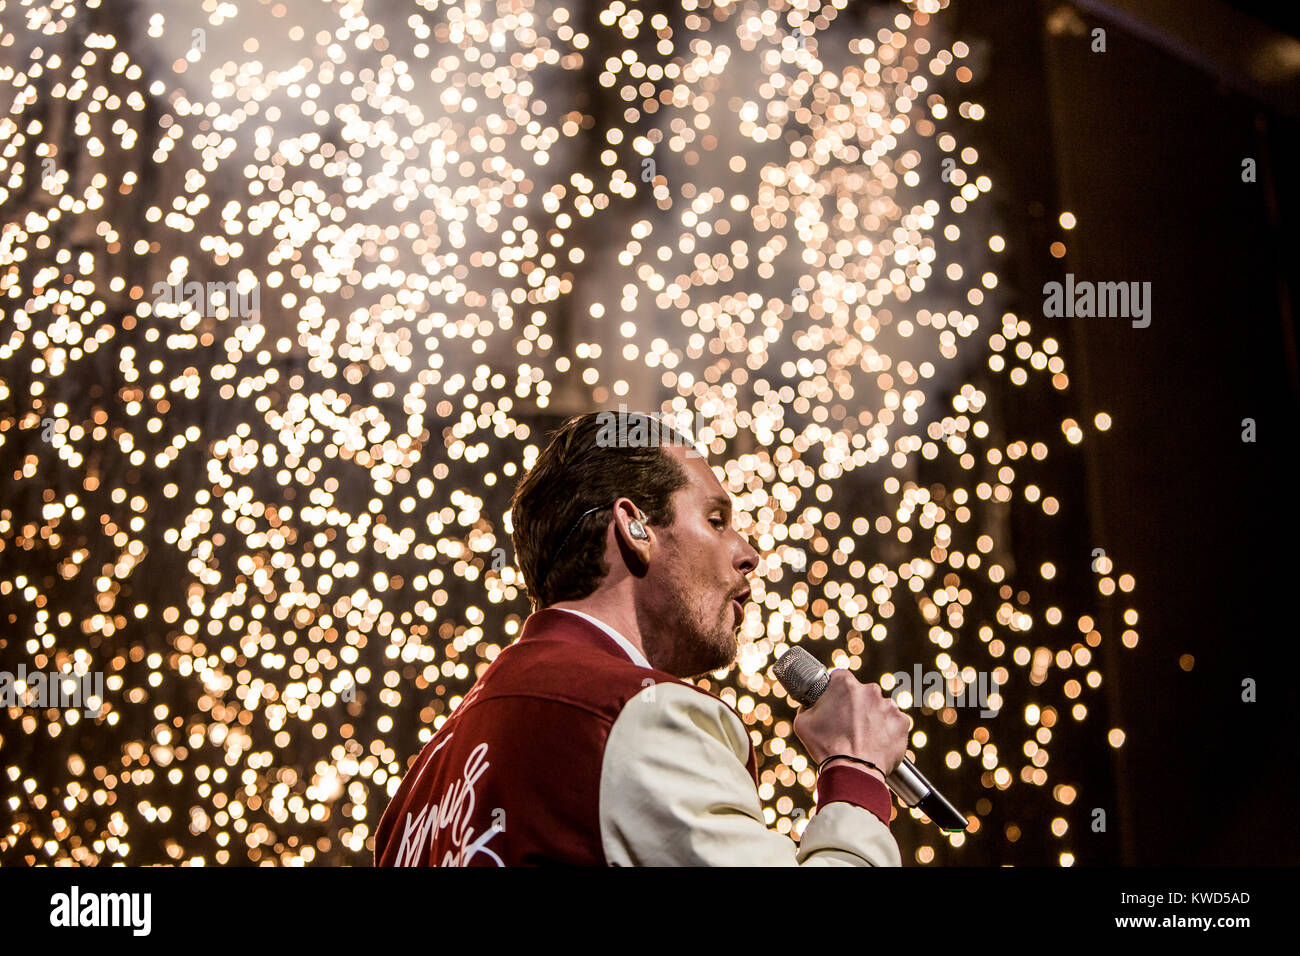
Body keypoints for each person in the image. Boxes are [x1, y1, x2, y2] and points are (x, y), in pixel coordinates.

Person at [373, 410, 911, 866]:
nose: (748, 553)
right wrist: (855, 772)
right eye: (716, 519)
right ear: (635, 527)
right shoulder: (637, 715)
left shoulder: (420, 786)